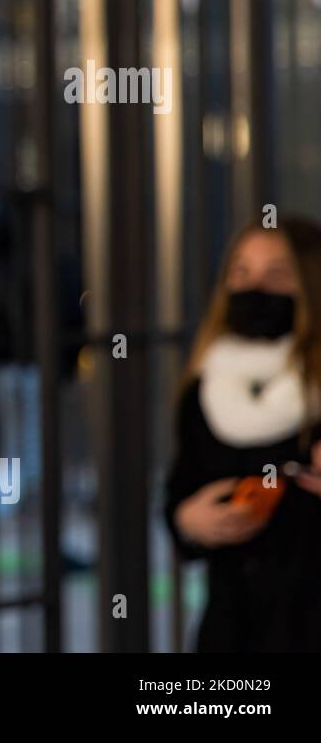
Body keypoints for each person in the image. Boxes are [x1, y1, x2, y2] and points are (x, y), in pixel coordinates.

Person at [163, 215, 321, 651]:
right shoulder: (206, 386)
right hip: (234, 629)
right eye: (242, 272)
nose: (256, 288)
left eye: (277, 274)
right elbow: (180, 493)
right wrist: (189, 520)